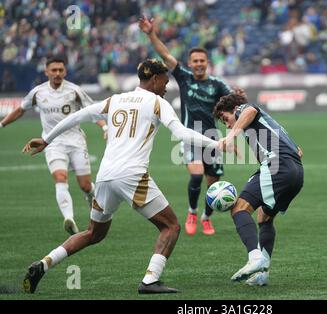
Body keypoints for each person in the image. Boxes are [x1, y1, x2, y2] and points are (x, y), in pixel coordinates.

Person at [21, 59, 226, 294]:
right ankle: (150, 280)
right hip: (132, 176)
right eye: (165, 81)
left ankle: (44, 263)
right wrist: (217, 144)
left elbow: (76, 117)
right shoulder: (157, 102)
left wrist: (47, 139)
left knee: (93, 233)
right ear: (156, 79)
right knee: (171, 226)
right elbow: (181, 132)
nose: (167, 87)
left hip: (106, 177)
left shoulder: (115, 100)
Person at [139, 16, 246, 236]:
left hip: (212, 138)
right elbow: (165, 55)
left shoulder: (217, 84)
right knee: (196, 175)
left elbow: (233, 104)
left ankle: (207, 218)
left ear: (207, 63)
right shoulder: (184, 77)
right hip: (189, 137)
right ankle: (192, 213)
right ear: (189, 63)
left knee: (213, 184)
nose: (198, 64)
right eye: (195, 61)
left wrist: (239, 99)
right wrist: (151, 34)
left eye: (202, 61)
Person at [0, 56, 107, 235]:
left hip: (76, 142)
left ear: (65, 71)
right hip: (52, 143)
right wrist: (1, 124)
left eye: (60, 70)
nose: (57, 73)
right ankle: (69, 219)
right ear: (46, 71)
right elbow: (20, 110)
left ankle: (93, 202)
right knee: (60, 177)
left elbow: (92, 111)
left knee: (85, 185)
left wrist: (105, 127)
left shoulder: (74, 91)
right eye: (54, 70)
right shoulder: (38, 92)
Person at [214, 93, 304, 286]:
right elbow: (298, 151)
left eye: (226, 119)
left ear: (234, 110)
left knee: (238, 208)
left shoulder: (244, 109)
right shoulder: (266, 124)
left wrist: (230, 136)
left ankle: (255, 258)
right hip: (296, 172)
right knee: (264, 217)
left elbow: (249, 110)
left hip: (277, 166)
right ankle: (262, 273)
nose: (228, 125)